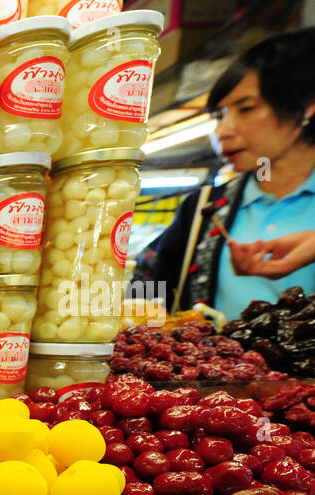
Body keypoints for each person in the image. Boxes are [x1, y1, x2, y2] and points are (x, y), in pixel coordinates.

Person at [131, 28, 315, 316]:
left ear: (305, 108)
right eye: (219, 116)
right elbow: (148, 278)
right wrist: (142, 318)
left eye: (246, 108)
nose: (222, 131)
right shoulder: (204, 208)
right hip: (222, 361)